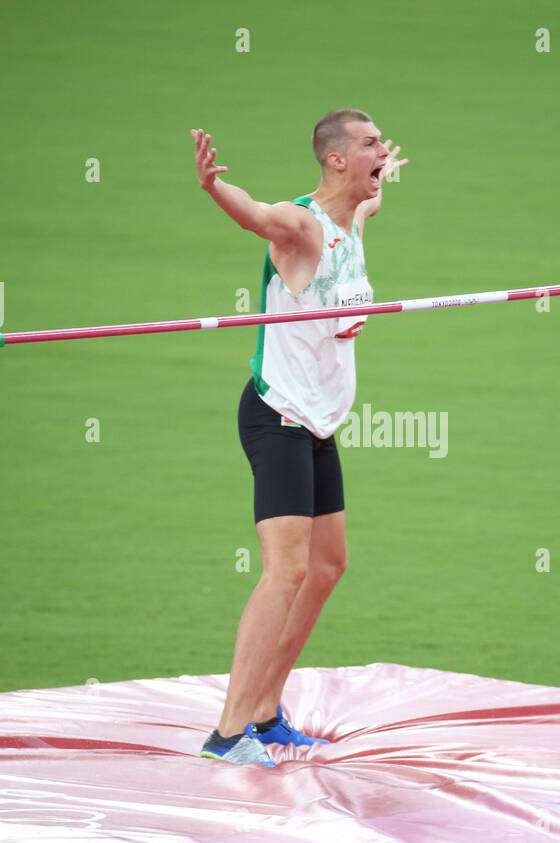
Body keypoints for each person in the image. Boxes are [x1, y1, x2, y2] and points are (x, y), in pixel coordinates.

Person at [189, 111, 407, 766]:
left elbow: (371, 197)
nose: (381, 153)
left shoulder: (354, 219)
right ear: (335, 159)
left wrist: (380, 174)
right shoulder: (304, 227)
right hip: (277, 415)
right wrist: (213, 189)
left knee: (328, 565)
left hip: (317, 423)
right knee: (286, 569)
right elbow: (258, 214)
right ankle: (226, 735)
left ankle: (264, 712)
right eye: (369, 145)